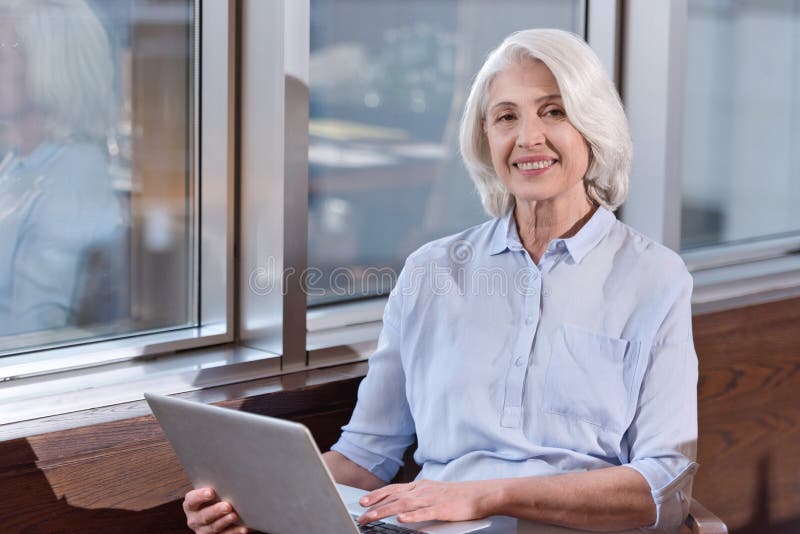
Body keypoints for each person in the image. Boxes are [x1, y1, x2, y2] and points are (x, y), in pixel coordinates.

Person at [183, 29, 698, 533]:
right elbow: (365, 456)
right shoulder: (430, 271)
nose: (528, 138)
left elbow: (664, 488)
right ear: (485, 137)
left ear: (594, 126)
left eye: (554, 111)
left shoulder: (654, 278)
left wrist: (487, 495)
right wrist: (252, 500)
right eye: (506, 117)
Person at [0, 0, 126, 337]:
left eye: (3, 56)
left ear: (48, 67)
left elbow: (33, 334)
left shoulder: (73, 178)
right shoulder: (21, 161)